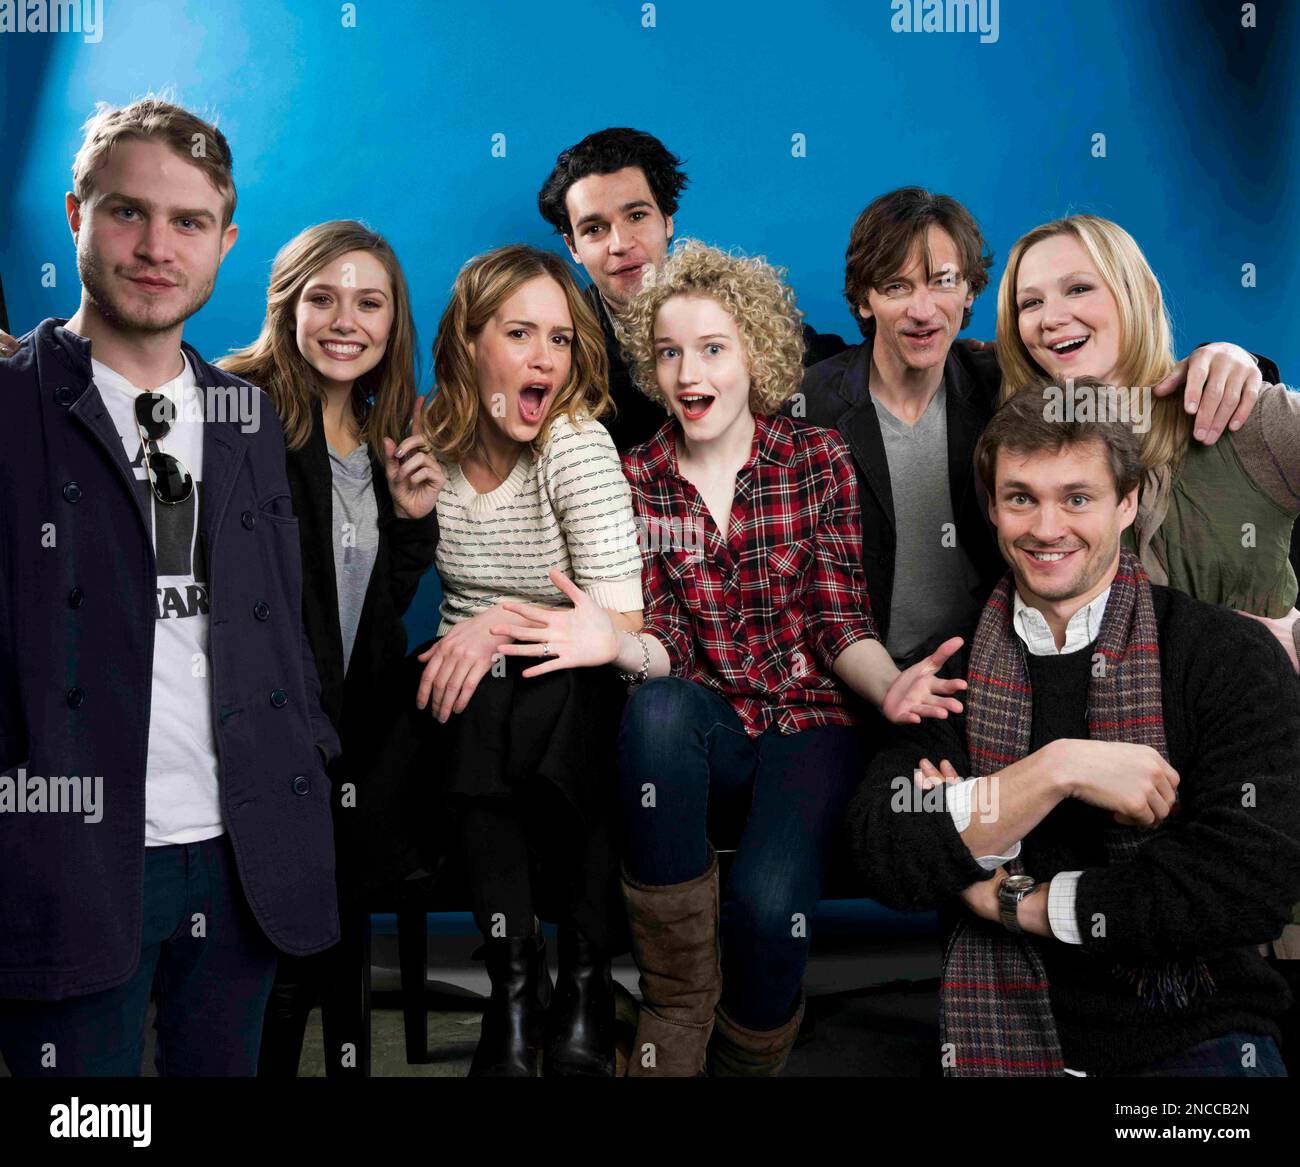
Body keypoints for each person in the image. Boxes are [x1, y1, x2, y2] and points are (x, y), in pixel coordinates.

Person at [490, 241, 970, 1077]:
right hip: (698, 725)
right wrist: (617, 643)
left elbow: (837, 619)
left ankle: (744, 1056)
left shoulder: (815, 460)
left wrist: (891, 687)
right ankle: (674, 1010)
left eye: (712, 348)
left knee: (765, 905)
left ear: (756, 355)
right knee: (657, 704)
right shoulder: (635, 478)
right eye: (670, 351)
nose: (688, 372)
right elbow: (665, 642)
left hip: (809, 724)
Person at [0, 97, 339, 1076]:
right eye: (125, 212)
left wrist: (310, 747)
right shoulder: (12, 399)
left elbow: (280, 621)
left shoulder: (245, 416)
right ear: (75, 215)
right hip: (64, 858)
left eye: (187, 222)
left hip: (243, 856)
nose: (156, 246)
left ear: (225, 240)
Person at [847, 385, 1300, 1077]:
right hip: (1001, 1029)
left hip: (1195, 1035)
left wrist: (1016, 898)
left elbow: (1246, 883)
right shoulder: (948, 667)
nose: (1046, 526)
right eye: (1021, 496)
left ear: (1127, 504)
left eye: (1078, 498)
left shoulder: (1224, 655)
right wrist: (1058, 768)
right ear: (994, 507)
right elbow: (887, 847)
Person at [996, 211, 1300, 1056]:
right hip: (1136, 873)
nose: (1052, 316)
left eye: (1079, 288)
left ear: (1135, 295)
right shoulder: (1034, 461)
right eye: (1029, 302)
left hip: (1270, 834)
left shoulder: (1252, 419)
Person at [798, 188, 1271, 670]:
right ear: (863, 300)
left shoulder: (1004, 387)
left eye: (942, 281)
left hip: (985, 670)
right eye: (896, 287)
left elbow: (1126, 371)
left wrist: (1237, 359)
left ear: (969, 293)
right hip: (849, 676)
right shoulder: (808, 403)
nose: (923, 310)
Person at [219, 220, 443, 1077]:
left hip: (349, 735)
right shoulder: (237, 407)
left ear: (393, 322)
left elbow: (370, 613)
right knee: (276, 959)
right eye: (323, 297)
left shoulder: (385, 434)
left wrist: (414, 526)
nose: (345, 320)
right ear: (288, 306)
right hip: (264, 732)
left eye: (369, 302)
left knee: (339, 943)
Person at [415, 244, 644, 1077]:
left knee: (559, 694)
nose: (546, 357)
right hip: (474, 696)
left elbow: (620, 617)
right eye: (520, 333)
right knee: (465, 696)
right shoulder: (426, 438)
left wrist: (493, 626)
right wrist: (473, 639)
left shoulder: (575, 443)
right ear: (470, 342)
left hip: (578, 681)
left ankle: (584, 982)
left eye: (561, 338)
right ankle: (516, 988)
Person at [536, 127, 846, 451]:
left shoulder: (735, 307)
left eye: (637, 215)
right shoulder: (560, 348)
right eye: (595, 229)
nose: (621, 244)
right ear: (572, 246)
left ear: (667, 220)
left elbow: (836, 365)